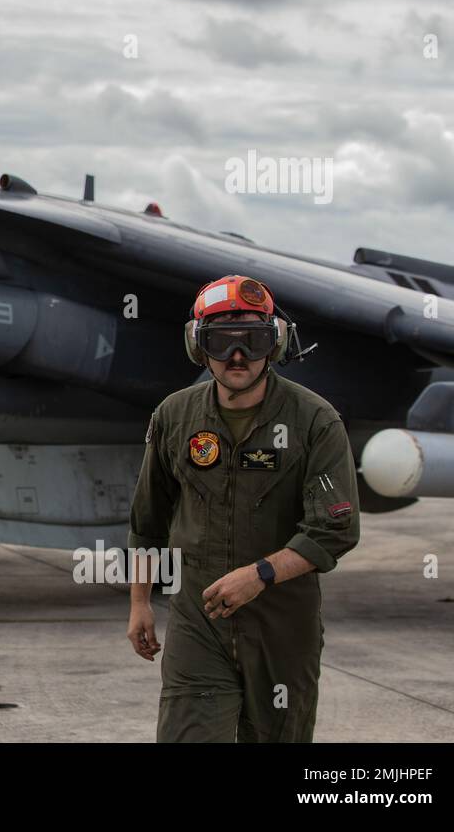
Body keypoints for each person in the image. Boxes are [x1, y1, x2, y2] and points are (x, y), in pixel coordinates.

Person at [127, 274, 360, 742]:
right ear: (198, 345)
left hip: (282, 631)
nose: (237, 356)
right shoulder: (174, 416)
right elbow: (148, 522)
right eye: (221, 340)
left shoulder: (314, 420)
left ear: (274, 344)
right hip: (199, 622)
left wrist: (259, 575)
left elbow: (334, 530)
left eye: (252, 341)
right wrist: (139, 604)